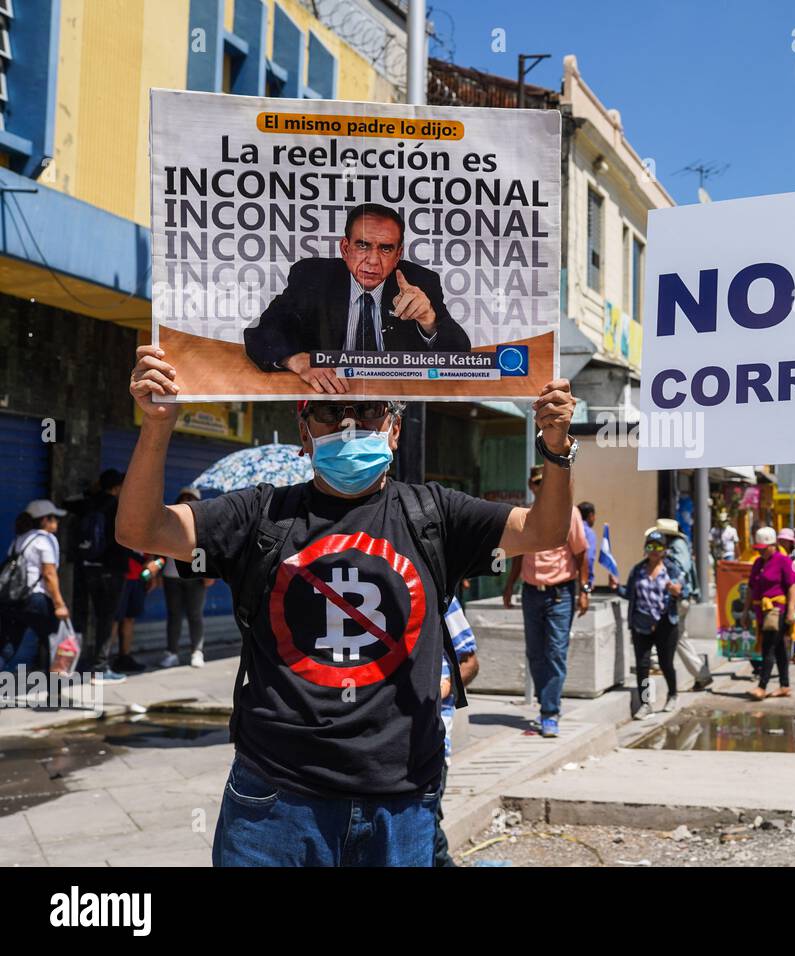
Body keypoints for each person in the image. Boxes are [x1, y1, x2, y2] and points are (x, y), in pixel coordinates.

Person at [119, 342, 578, 867]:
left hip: (401, 802)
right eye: (329, 411)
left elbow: (544, 531)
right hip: (275, 800)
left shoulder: (437, 515)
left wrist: (556, 447)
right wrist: (156, 427)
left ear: (395, 429)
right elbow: (140, 529)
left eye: (367, 410)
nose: (349, 424)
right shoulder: (261, 514)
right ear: (305, 430)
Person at [243, 202, 471, 394]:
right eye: (362, 245)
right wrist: (297, 361)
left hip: (396, 403)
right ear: (345, 248)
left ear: (398, 255)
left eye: (385, 249)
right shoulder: (313, 277)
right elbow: (263, 332)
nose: (372, 260)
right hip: (328, 399)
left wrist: (429, 321)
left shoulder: (420, 282)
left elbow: (461, 356)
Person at [502, 466, 589, 738]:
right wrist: (509, 585)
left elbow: (581, 553)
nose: (541, 487)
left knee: (554, 652)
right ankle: (546, 699)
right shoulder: (526, 514)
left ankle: (549, 712)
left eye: (545, 482)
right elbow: (519, 553)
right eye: (537, 483)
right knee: (535, 653)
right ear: (531, 485)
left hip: (560, 593)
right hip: (531, 592)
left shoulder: (569, 513)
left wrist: (584, 589)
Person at [617, 530, 685, 719]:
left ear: (664, 550)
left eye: (658, 547)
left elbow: (683, 590)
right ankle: (646, 703)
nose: (654, 551)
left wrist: (676, 591)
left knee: (665, 663)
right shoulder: (638, 570)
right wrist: (616, 588)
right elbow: (629, 593)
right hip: (642, 623)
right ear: (645, 549)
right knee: (642, 665)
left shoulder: (671, 569)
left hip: (665, 623)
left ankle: (673, 694)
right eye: (650, 546)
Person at [72, 469, 129, 685]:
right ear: (116, 488)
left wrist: (91, 490)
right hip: (112, 569)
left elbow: (68, 502)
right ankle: (100, 668)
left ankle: (80, 663)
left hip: (88, 567)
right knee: (106, 619)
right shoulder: (119, 506)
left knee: (85, 614)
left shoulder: (88, 503)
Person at [434, 595, 479, 867]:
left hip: (428, 740)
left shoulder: (438, 595)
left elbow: (470, 662)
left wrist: (441, 689)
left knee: (427, 833)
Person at [1, 500, 69, 676]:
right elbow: (49, 574)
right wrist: (59, 604)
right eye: (54, 518)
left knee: (7, 647)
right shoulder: (46, 539)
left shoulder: (19, 539)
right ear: (44, 520)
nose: (57, 522)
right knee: (56, 646)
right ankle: (54, 696)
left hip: (13, 601)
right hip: (36, 600)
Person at [650, 517, 714, 691]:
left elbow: (682, 567)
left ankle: (701, 674)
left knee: (674, 637)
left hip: (678, 599)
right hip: (678, 599)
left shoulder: (677, 546)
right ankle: (700, 674)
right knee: (678, 637)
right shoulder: (678, 544)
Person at [160, 487, 211, 669]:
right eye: (184, 497)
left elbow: (208, 547)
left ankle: (197, 651)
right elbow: (159, 546)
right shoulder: (168, 520)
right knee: (174, 616)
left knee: (195, 615)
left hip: (195, 576)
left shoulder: (203, 521)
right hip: (171, 576)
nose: (187, 501)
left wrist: (209, 574)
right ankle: (171, 652)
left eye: (191, 498)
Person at [746, 526, 795, 701]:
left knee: (769, 648)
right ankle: (785, 685)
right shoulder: (758, 563)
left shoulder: (784, 561)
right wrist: (746, 610)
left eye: (763, 549)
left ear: (772, 545)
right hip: (762, 611)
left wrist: (791, 610)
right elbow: (751, 587)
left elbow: (792, 585)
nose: (760, 552)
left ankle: (762, 686)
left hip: (777, 611)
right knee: (780, 649)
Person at [777, 527, 795, 664]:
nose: (783, 543)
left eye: (786, 541)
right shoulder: (777, 555)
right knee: (783, 625)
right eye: (781, 540)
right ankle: (785, 654)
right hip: (782, 593)